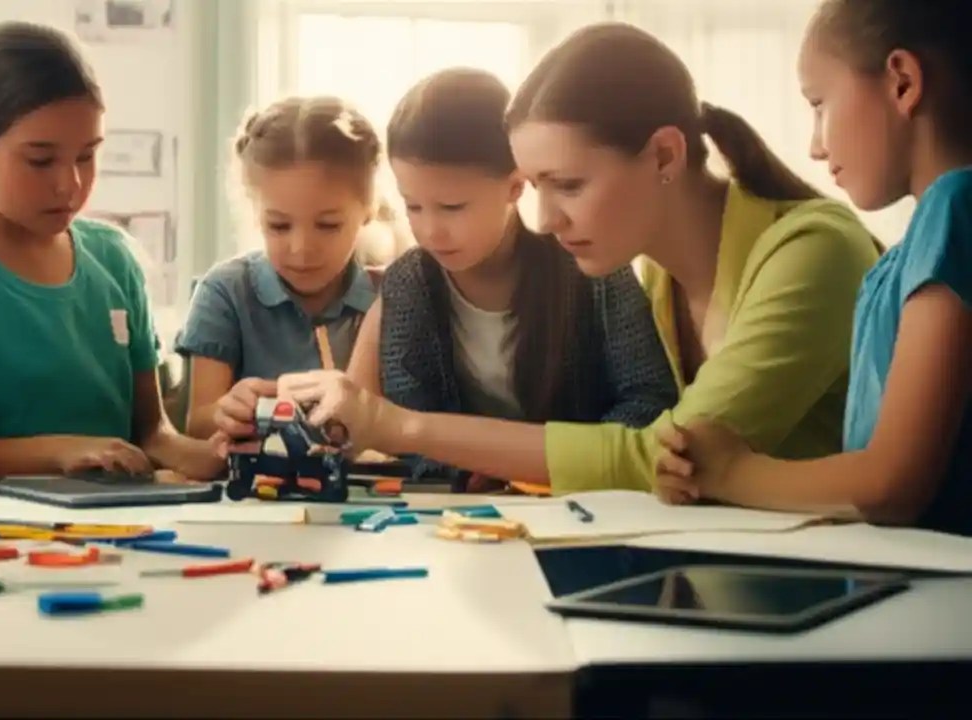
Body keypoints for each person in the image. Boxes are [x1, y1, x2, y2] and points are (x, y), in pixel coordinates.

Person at [255, 24, 878, 494]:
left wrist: (395, 426)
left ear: (664, 156)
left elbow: (661, 454)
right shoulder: (658, 273)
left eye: (570, 186)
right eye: (539, 186)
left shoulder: (810, 250)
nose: (546, 221)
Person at [655, 0, 972, 534]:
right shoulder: (906, 255)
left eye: (819, 103)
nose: (816, 147)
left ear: (901, 82)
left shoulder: (956, 208)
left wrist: (731, 471)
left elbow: (890, 485)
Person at [0, 22, 219, 481]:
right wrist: (63, 452)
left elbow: (152, 432)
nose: (71, 184)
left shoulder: (116, 259)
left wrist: (215, 456)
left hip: (125, 521)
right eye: (41, 160)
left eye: (87, 155)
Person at [338, 68, 675, 489]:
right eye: (413, 206)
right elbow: (413, 429)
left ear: (516, 186)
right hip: (459, 510)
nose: (430, 232)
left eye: (452, 206)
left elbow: (648, 403)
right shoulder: (410, 283)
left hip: (587, 499)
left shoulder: (593, 265)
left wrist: (545, 472)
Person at [176, 98, 382, 440]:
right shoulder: (226, 292)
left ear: (368, 208)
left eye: (328, 225)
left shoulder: (389, 296)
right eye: (279, 226)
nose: (301, 248)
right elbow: (197, 423)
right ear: (255, 213)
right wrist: (230, 410)